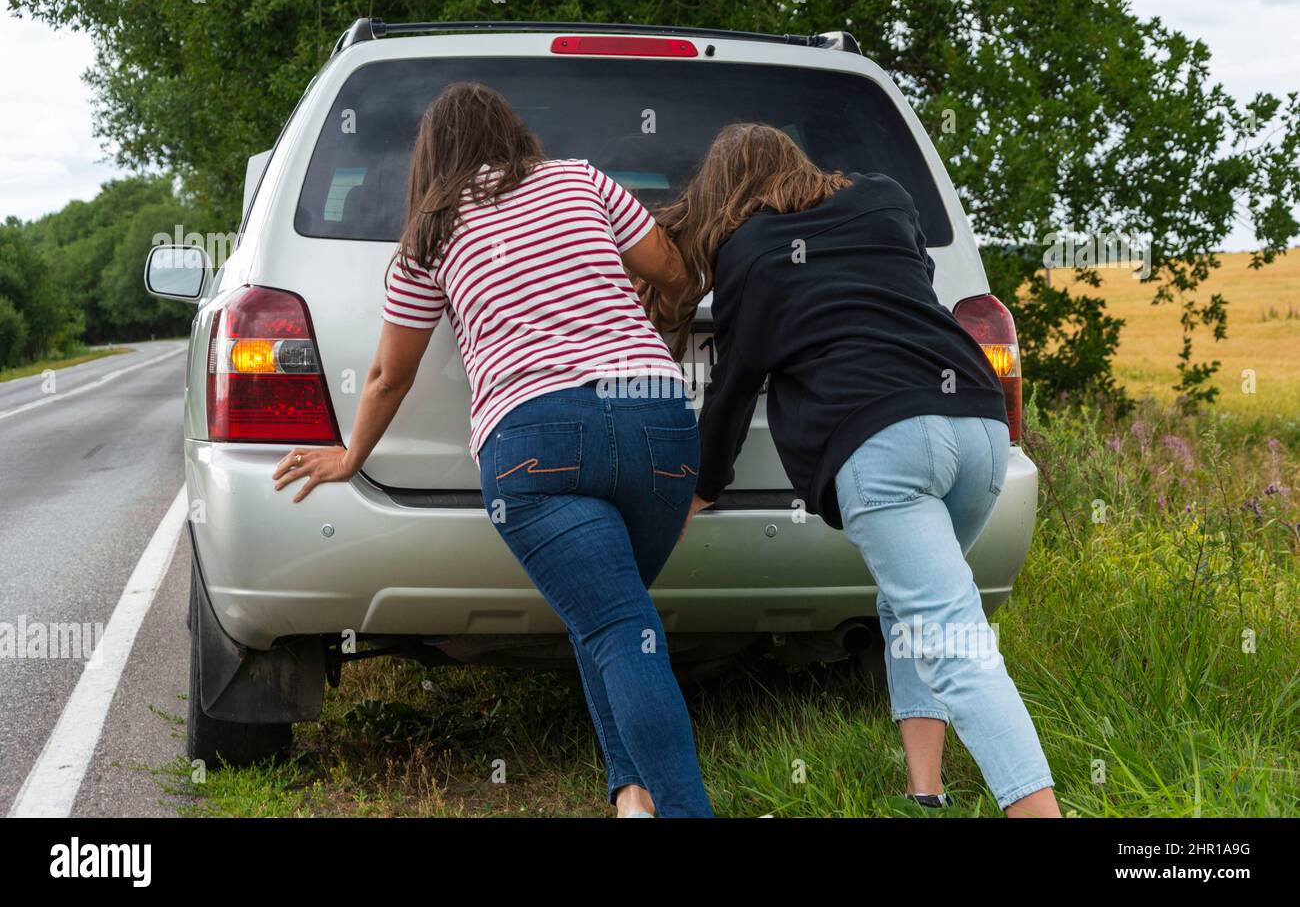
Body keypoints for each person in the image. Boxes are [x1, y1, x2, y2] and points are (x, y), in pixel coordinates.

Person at [271, 82, 712, 818]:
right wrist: (652, 306)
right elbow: (674, 271)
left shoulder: (431, 230)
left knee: (615, 624)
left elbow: (389, 374)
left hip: (535, 439)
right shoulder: (582, 179)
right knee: (608, 618)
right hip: (659, 426)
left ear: (433, 153)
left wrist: (350, 455)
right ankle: (633, 798)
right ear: (513, 132)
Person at [658, 123, 1060, 817]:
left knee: (954, 641)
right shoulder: (884, 198)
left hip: (884, 444)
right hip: (980, 425)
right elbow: (916, 285)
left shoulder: (745, 249)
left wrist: (701, 486)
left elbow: (735, 383)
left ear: (724, 192)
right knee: (912, 606)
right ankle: (924, 792)